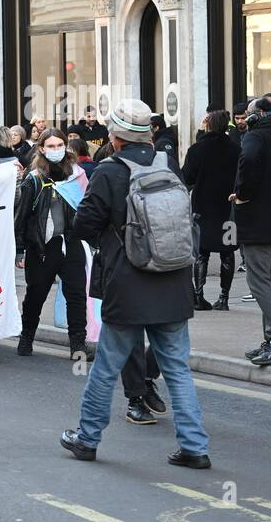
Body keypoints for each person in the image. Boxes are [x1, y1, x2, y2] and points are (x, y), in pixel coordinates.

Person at [61, 100, 210, 469]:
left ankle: (87, 437)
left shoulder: (109, 171)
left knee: (107, 366)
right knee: (177, 368)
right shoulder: (168, 163)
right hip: (173, 280)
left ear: (115, 138)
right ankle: (194, 447)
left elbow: (84, 225)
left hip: (128, 284)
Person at [14, 129, 88, 358]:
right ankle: (26, 338)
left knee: (76, 296)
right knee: (36, 295)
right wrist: (20, 250)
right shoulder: (34, 179)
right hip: (42, 248)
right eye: (51, 146)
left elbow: (88, 209)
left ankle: (78, 344)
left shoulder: (77, 175)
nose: (56, 150)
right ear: (41, 149)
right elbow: (22, 216)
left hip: (72, 244)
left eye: (60, 145)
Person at [231, 96, 271, 365]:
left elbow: (248, 161)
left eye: (248, 113)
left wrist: (242, 194)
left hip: (260, 220)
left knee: (259, 280)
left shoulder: (255, 136)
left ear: (258, 114)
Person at [182, 109, 240, 311]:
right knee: (228, 251)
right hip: (228, 208)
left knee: (201, 252)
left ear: (208, 125)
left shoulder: (197, 149)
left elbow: (187, 177)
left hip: (202, 207)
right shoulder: (236, 149)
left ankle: (199, 296)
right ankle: (224, 298)